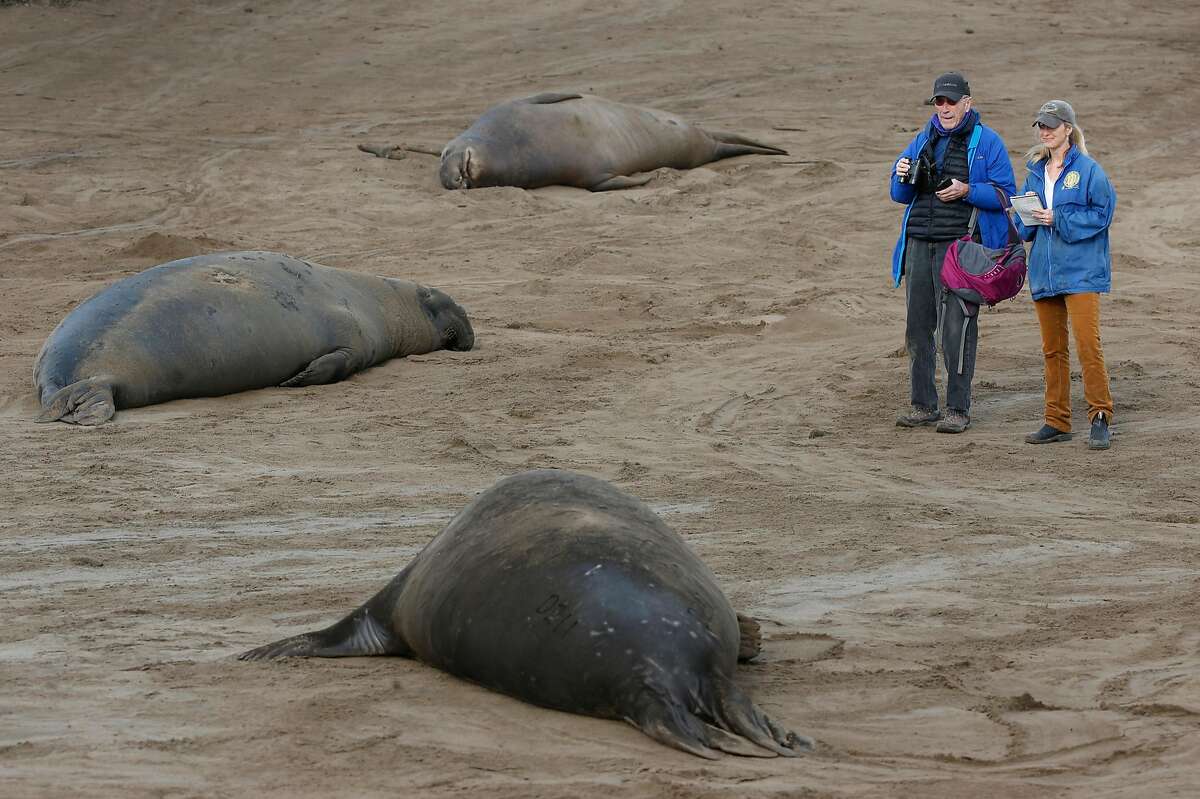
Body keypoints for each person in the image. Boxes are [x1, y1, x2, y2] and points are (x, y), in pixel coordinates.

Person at [889, 72, 1016, 434]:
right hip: (917, 243)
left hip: (958, 248)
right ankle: (922, 405)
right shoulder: (922, 139)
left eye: (950, 101)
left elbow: (1006, 194)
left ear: (967, 103)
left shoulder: (987, 142)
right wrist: (900, 174)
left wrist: (966, 190)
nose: (944, 108)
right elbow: (899, 196)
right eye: (938, 102)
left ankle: (957, 409)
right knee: (917, 328)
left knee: (956, 328)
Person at [1012, 100, 1116, 450]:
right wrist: (1023, 216)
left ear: (1068, 129)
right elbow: (1025, 229)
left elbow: (1102, 214)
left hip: (1082, 271)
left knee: (1088, 345)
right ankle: (1056, 420)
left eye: (1051, 126)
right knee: (1052, 350)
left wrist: (1060, 219)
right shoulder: (1034, 171)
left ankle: (1100, 415)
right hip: (1045, 271)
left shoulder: (1089, 170)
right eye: (1041, 126)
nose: (1045, 131)